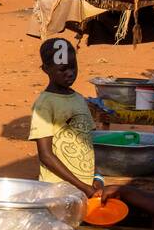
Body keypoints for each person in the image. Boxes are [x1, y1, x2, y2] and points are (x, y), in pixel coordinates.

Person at [28, 38, 102, 198]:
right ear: (46, 69)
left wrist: (96, 177)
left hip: (82, 189)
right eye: (63, 69)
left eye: (73, 67)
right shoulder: (44, 104)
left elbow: (88, 143)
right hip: (56, 191)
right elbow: (46, 155)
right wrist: (83, 187)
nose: (70, 73)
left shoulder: (79, 99)